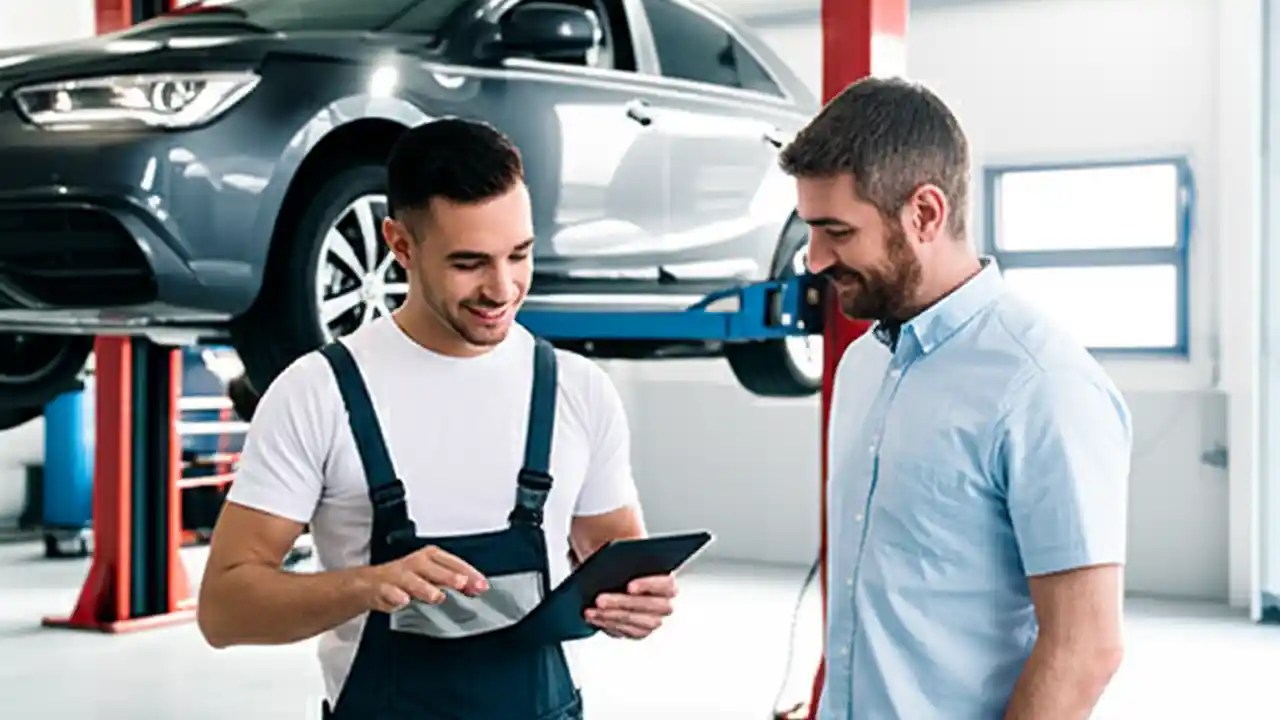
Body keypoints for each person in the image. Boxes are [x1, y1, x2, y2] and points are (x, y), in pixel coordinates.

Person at [196, 118, 677, 719]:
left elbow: (615, 554)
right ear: (400, 244)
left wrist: (637, 602)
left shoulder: (578, 392)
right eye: (469, 263)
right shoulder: (317, 394)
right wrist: (368, 585)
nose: (502, 288)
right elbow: (224, 609)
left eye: (519, 255)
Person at [780, 77, 1131, 719]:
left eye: (836, 231)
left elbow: (1085, 647)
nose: (815, 258)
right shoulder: (862, 365)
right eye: (810, 229)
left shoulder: (1041, 385)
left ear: (925, 214)